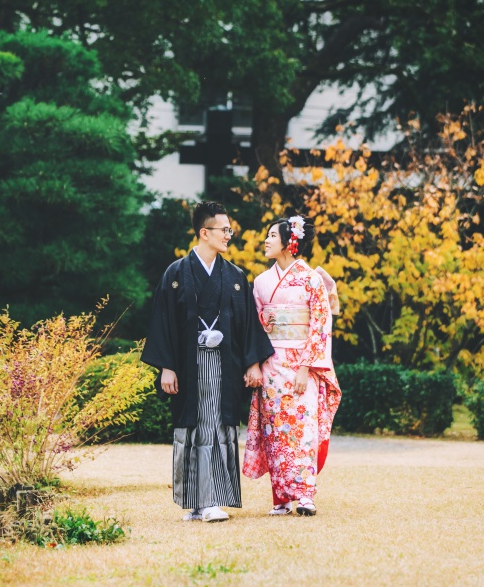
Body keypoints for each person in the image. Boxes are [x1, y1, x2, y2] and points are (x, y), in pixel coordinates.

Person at [140, 201, 274, 523]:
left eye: (229, 230)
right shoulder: (175, 274)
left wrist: (252, 363)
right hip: (188, 365)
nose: (228, 235)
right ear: (204, 232)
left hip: (224, 365)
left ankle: (211, 499)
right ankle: (197, 502)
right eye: (223, 230)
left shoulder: (235, 276)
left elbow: (247, 324)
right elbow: (163, 321)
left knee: (216, 425)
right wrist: (167, 366)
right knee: (192, 428)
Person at [242, 215, 342, 516]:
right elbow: (253, 327)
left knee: (303, 429)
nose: (266, 240)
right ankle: (281, 498)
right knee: (275, 432)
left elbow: (320, 325)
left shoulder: (311, 279)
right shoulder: (261, 282)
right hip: (271, 364)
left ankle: (306, 495)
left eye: (272, 235)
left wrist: (305, 367)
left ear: (289, 243)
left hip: (302, 364)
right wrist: (254, 364)